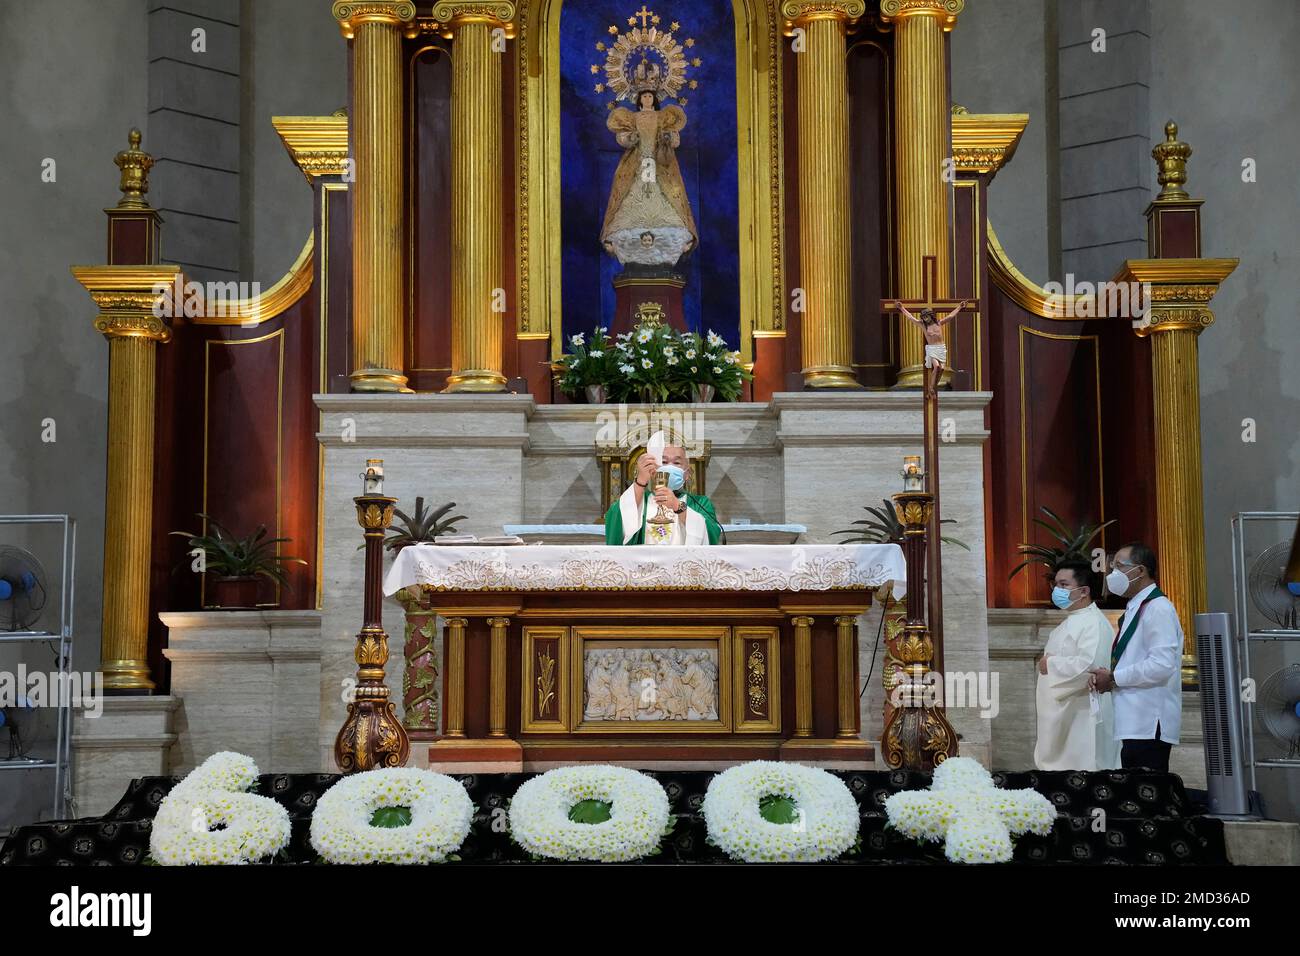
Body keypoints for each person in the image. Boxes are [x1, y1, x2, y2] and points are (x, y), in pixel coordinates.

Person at [1089, 543, 1183, 772]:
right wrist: (1110, 676)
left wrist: (1114, 677)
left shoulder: (1158, 608)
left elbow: (1162, 665)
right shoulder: (1136, 607)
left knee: (1147, 789)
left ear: (1140, 571)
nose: (1113, 574)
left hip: (1149, 720)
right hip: (1133, 720)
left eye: (1119, 567)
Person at [1033, 559, 1120, 771]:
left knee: (1085, 767)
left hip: (1082, 712)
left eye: (1064, 585)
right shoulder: (1070, 621)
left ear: (1084, 591)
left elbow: (1090, 666)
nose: (1057, 590)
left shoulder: (1094, 623)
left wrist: (1050, 664)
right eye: (1056, 584)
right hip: (1062, 713)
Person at [603, 435, 722, 546]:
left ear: (687, 474)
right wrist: (640, 481)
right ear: (653, 469)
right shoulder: (641, 500)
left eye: (677, 462)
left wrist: (678, 506)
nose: (669, 467)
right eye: (664, 462)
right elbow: (616, 519)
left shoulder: (700, 503)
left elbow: (711, 533)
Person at [892, 300, 968, 385]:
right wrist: (902, 308)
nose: (926, 319)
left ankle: (935, 384)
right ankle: (931, 386)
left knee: (942, 368)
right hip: (932, 348)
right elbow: (911, 317)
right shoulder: (923, 325)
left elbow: (950, 316)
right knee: (937, 366)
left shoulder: (938, 323)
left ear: (931, 316)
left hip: (941, 348)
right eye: (924, 317)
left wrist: (959, 307)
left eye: (927, 316)